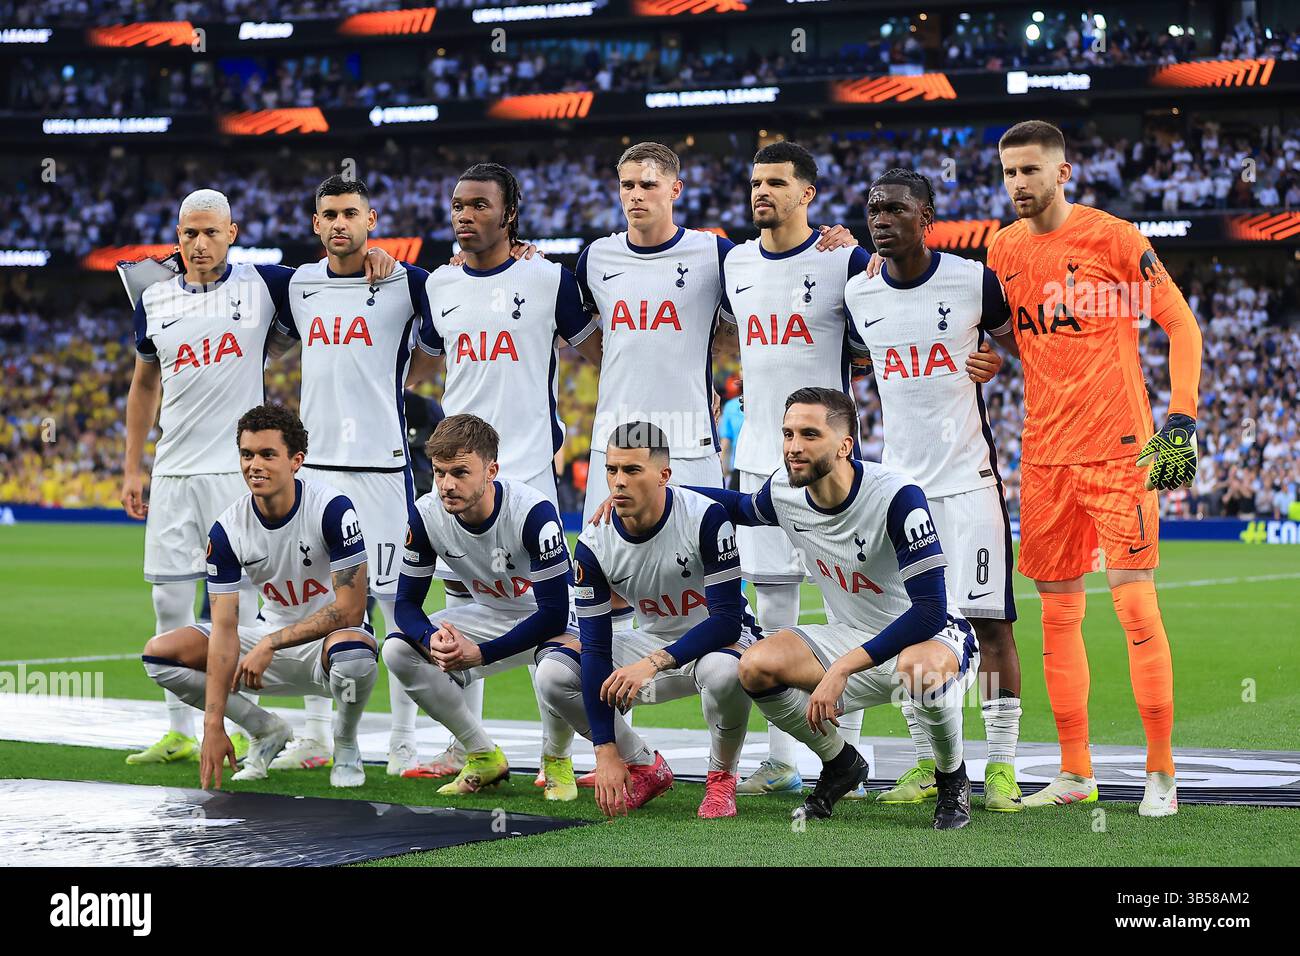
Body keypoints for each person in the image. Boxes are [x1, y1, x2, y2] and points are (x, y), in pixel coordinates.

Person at [720, 141, 999, 795]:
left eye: (776, 182)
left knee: (859, 601)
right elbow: (720, 331)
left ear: (808, 192)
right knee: (773, 609)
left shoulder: (846, 259)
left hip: (826, 468)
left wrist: (980, 357)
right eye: (755, 182)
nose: (761, 192)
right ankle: (788, 760)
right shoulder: (732, 262)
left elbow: (896, 311)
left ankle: (912, 753)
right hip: (757, 458)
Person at [119, 187, 392, 765]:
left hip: (237, 472)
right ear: (177, 236)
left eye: (211, 232)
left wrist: (378, 261)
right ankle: (179, 730)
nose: (199, 243)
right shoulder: (156, 299)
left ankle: (288, 731)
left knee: (246, 606)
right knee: (169, 601)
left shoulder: (264, 286)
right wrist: (133, 466)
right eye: (189, 232)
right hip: (172, 471)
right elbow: (144, 385)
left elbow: (331, 275)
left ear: (233, 233)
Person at [988, 120, 1203, 816]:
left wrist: (1181, 421)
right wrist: (996, 357)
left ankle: (1161, 774)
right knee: (1055, 618)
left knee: (1135, 606)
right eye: (1009, 172)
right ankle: (1076, 772)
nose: (1019, 184)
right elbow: (1031, 344)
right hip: (1045, 455)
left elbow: (1182, 325)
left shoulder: (1113, 238)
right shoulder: (1002, 248)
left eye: (1030, 171)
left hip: (1119, 451)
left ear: (1064, 173)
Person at [693, 388, 979, 829]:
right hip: (852, 635)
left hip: (932, 638)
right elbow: (737, 506)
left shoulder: (897, 497)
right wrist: (660, 489)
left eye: (809, 434)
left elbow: (930, 611)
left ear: (845, 445)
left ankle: (951, 777)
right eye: (787, 434)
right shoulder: (785, 492)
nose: (793, 447)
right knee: (754, 666)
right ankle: (842, 763)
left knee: (920, 671)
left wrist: (842, 668)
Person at [845, 167, 1024, 812]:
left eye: (894, 209)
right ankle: (928, 761)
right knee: (907, 625)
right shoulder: (859, 292)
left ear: (927, 219)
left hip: (968, 483)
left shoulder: (973, 282)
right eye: (873, 209)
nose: (881, 219)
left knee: (992, 624)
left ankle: (1001, 768)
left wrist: (999, 360)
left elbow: (1022, 345)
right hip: (899, 493)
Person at [415, 163, 602, 780]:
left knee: (547, 615)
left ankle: (556, 756)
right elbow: (424, 354)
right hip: (459, 476)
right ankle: (467, 745)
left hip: (524, 475)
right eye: (457, 205)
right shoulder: (438, 284)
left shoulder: (549, 278)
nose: (464, 215)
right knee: (461, 603)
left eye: (478, 205)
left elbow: (602, 352)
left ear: (509, 213)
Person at [271, 174, 436, 777]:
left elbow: (466, 285)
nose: (339, 223)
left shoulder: (407, 283)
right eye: (329, 215)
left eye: (350, 213)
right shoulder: (296, 285)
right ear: (315, 225)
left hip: (384, 470)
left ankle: (401, 743)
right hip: (313, 472)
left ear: (371, 220)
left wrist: (521, 248)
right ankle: (318, 737)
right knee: (318, 604)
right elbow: (201, 267)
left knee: (397, 605)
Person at [141, 403, 378, 790]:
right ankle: (264, 729)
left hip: (330, 649)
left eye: (268, 454)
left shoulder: (333, 510)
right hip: (265, 650)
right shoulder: (227, 529)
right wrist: (213, 725)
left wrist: (271, 641)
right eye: (247, 454)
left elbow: (351, 611)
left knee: (353, 653)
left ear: (296, 460)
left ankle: (346, 743)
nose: (255, 464)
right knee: (160, 654)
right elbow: (224, 628)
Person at [542, 421, 760, 818]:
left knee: (725, 671)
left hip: (718, 642)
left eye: (631, 470)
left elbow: (727, 621)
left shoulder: (705, 518)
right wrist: (604, 748)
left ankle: (721, 778)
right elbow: (594, 646)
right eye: (612, 470)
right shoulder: (594, 541)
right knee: (554, 674)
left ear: (664, 476)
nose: (618, 482)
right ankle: (643, 764)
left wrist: (651, 663)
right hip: (655, 640)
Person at [384, 414, 578, 799]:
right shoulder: (426, 515)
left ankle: (557, 759)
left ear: (492, 471)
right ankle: (482, 752)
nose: (447, 485)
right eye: (440, 472)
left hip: (551, 619)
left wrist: (481, 654)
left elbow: (554, 612)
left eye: (460, 472)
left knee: (555, 667)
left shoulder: (532, 513)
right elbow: (406, 603)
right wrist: (431, 637)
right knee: (397, 649)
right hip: (491, 613)